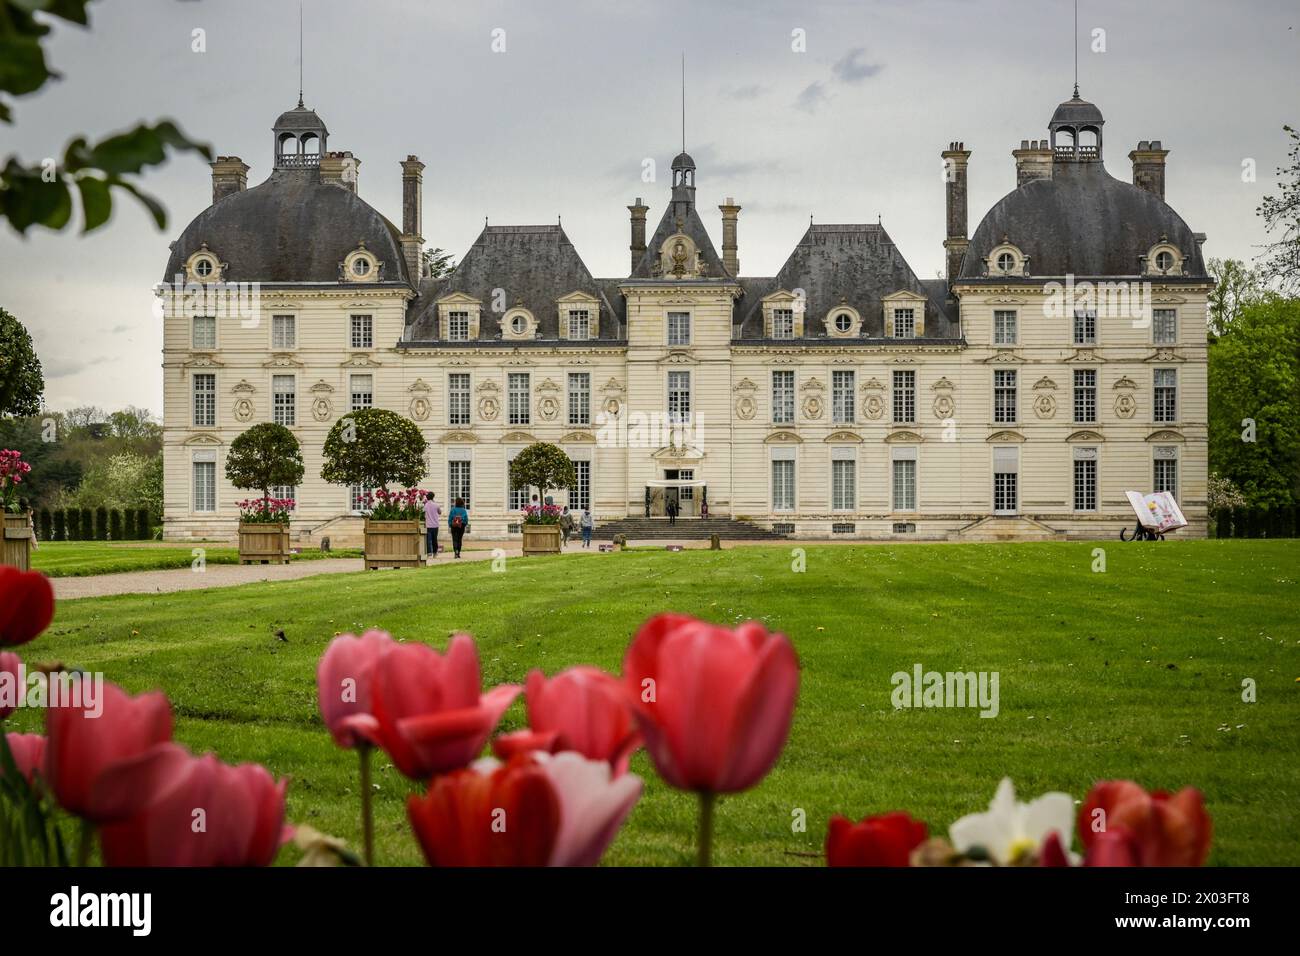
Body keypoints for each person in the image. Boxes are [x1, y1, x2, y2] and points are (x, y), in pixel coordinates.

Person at [423, 492, 441, 558]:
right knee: (435, 539)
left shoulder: (426, 505)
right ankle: (435, 553)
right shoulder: (436, 505)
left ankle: (429, 552)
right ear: (433, 497)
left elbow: (423, 512)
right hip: (435, 525)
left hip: (428, 525)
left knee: (428, 540)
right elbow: (440, 512)